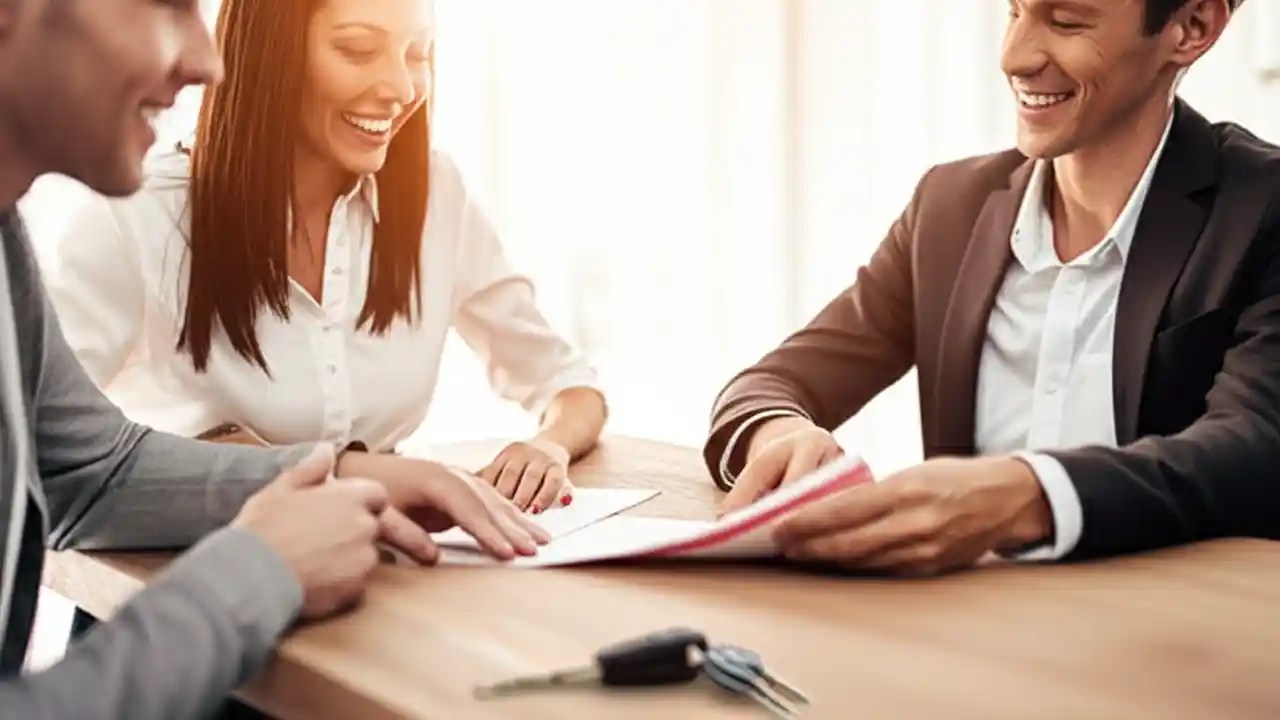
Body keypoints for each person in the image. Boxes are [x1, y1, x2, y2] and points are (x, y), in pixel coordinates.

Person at [0, 0, 547, 716]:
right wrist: (252, 574)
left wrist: (350, 471)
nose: (208, 63)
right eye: (165, 6)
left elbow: (92, 472)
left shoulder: (6, 242)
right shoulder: (130, 221)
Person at [706, 0, 1280, 575]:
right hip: (967, 632)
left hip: (1179, 635)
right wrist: (779, 434)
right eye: (1014, 11)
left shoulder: (1262, 206)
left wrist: (1026, 494)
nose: (1015, 57)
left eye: (1067, 22)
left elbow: (1254, 448)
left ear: (1193, 27)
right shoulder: (951, 207)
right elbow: (770, 383)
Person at [44, 0, 607, 515]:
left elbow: (566, 382)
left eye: (418, 54)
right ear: (269, 53)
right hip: (177, 581)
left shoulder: (436, 194)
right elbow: (50, 447)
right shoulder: (135, 213)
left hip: (371, 576)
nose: (400, 87)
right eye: (358, 50)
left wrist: (546, 448)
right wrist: (218, 449)